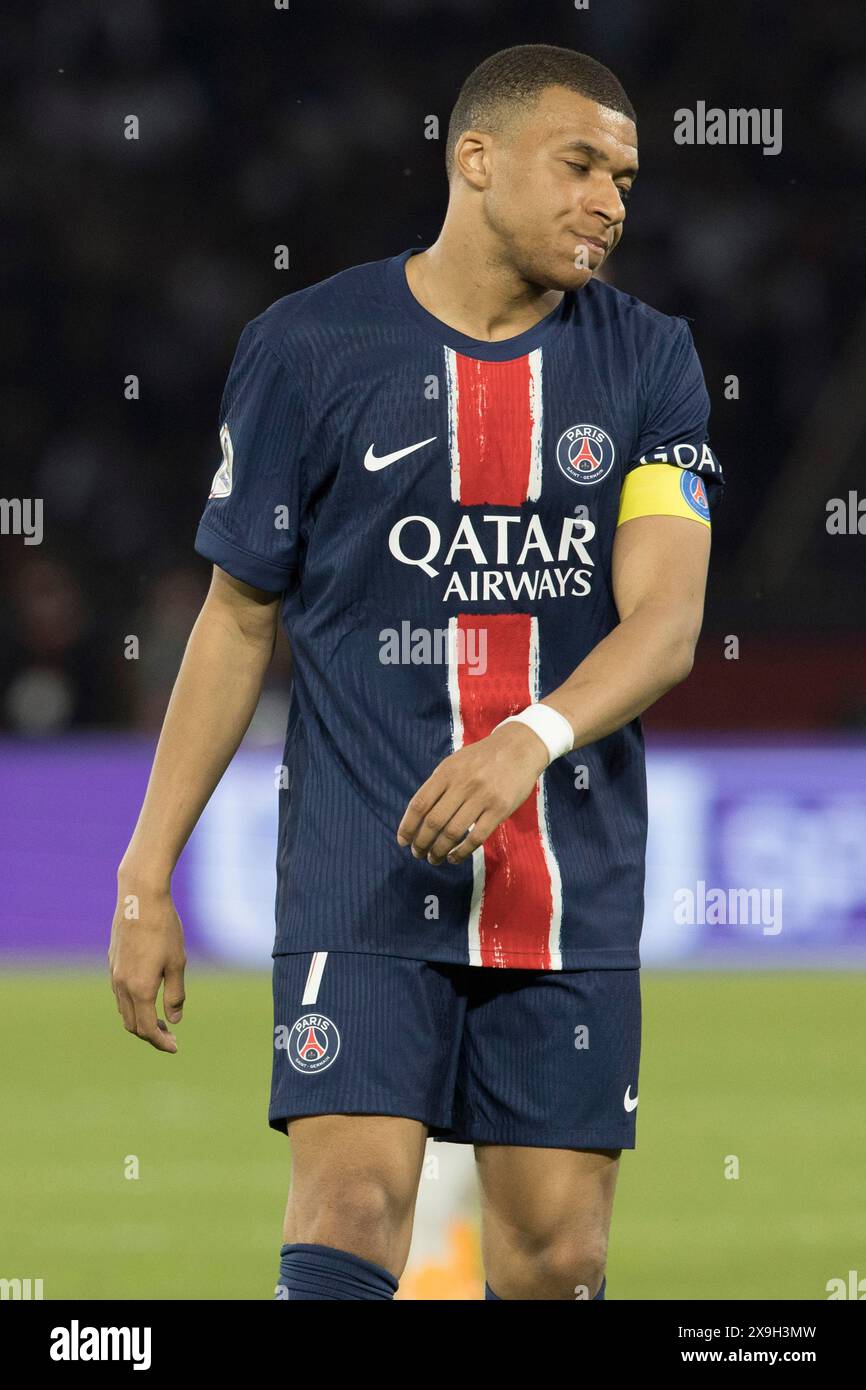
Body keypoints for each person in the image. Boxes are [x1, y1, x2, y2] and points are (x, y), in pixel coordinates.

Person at [109, 42, 724, 1301]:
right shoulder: (306, 347)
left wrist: (526, 740)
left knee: (558, 1257)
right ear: (476, 160)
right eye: (580, 164)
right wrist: (141, 872)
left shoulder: (650, 362)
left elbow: (663, 627)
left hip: (564, 873)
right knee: (350, 1201)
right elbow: (235, 620)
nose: (610, 198)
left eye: (625, 175)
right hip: (361, 862)